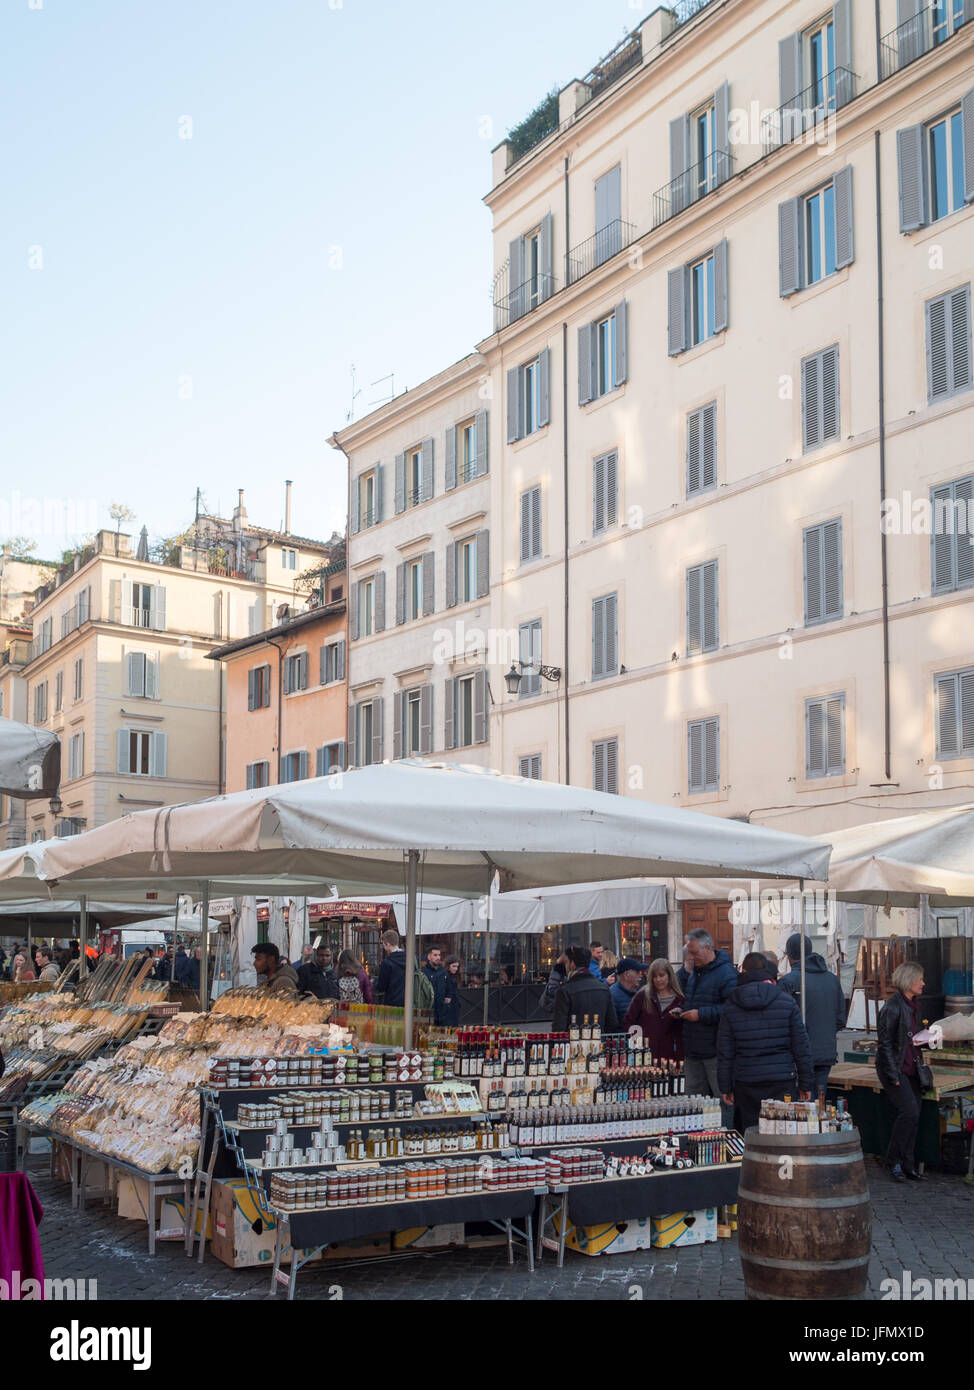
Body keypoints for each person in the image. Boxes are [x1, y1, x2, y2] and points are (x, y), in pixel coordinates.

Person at [717, 951, 813, 1134]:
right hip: (781, 1079)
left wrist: (725, 1086)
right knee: (783, 1132)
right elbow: (801, 1047)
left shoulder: (731, 1005)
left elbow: (725, 1051)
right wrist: (806, 1083)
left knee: (751, 1135)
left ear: (744, 971)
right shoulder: (787, 1002)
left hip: (747, 1081)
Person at [676, 928, 738, 1125]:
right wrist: (683, 1010)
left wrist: (700, 1014)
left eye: (694, 953)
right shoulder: (696, 971)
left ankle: (726, 1139)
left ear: (708, 947)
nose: (691, 957)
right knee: (694, 1101)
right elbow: (693, 999)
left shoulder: (726, 973)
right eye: (689, 953)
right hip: (694, 1048)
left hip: (715, 1049)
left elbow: (731, 1008)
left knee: (722, 1100)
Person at [876, 961, 928, 1182]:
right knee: (910, 1113)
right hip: (897, 1068)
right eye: (920, 980)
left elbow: (909, 1038)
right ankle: (894, 1161)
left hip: (912, 1065)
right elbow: (885, 1043)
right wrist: (893, 1075)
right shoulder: (893, 1006)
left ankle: (907, 1163)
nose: (923, 984)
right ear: (909, 981)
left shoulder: (913, 1005)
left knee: (914, 1115)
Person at [779, 933, 847, 1098]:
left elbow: (780, 1021)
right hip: (825, 1053)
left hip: (798, 1055)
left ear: (789, 955)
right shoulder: (832, 980)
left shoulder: (789, 981)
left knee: (799, 1109)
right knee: (819, 1105)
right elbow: (840, 1019)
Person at [624, 958, 685, 1060]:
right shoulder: (643, 996)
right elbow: (628, 1021)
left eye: (661, 975)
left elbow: (680, 1033)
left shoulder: (680, 1000)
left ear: (669, 976)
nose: (658, 980)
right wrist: (637, 1046)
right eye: (654, 976)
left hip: (669, 1058)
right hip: (644, 1056)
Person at [552, 945, 619, 1033]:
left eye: (566, 962)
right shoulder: (604, 988)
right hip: (598, 1042)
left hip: (573, 1043)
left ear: (572, 964)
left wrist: (556, 968)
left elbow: (559, 1027)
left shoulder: (565, 991)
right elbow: (612, 1023)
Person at [375, 929, 406, 1006]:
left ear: (387, 944)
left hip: (392, 1003)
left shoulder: (387, 962)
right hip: (410, 1002)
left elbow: (381, 986)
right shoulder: (411, 959)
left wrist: (374, 982)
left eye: (383, 944)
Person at [609, 958, 646, 1025]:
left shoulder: (638, 994)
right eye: (637, 972)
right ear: (626, 975)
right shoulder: (612, 995)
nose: (640, 975)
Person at [440, 955, 462, 1027]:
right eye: (454, 966)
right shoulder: (444, 976)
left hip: (454, 1006)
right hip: (447, 1008)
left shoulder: (454, 976)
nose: (456, 968)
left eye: (457, 966)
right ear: (448, 965)